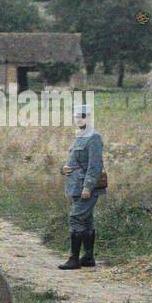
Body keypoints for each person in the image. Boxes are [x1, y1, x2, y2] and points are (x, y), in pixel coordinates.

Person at [58, 103, 105, 270]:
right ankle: (88, 257)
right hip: (75, 185)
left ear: (89, 117)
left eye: (82, 116)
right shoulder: (80, 136)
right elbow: (74, 160)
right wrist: (64, 169)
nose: (79, 119)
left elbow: (95, 166)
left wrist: (88, 187)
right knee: (86, 220)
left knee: (76, 218)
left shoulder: (94, 137)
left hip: (86, 187)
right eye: (76, 116)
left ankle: (74, 259)